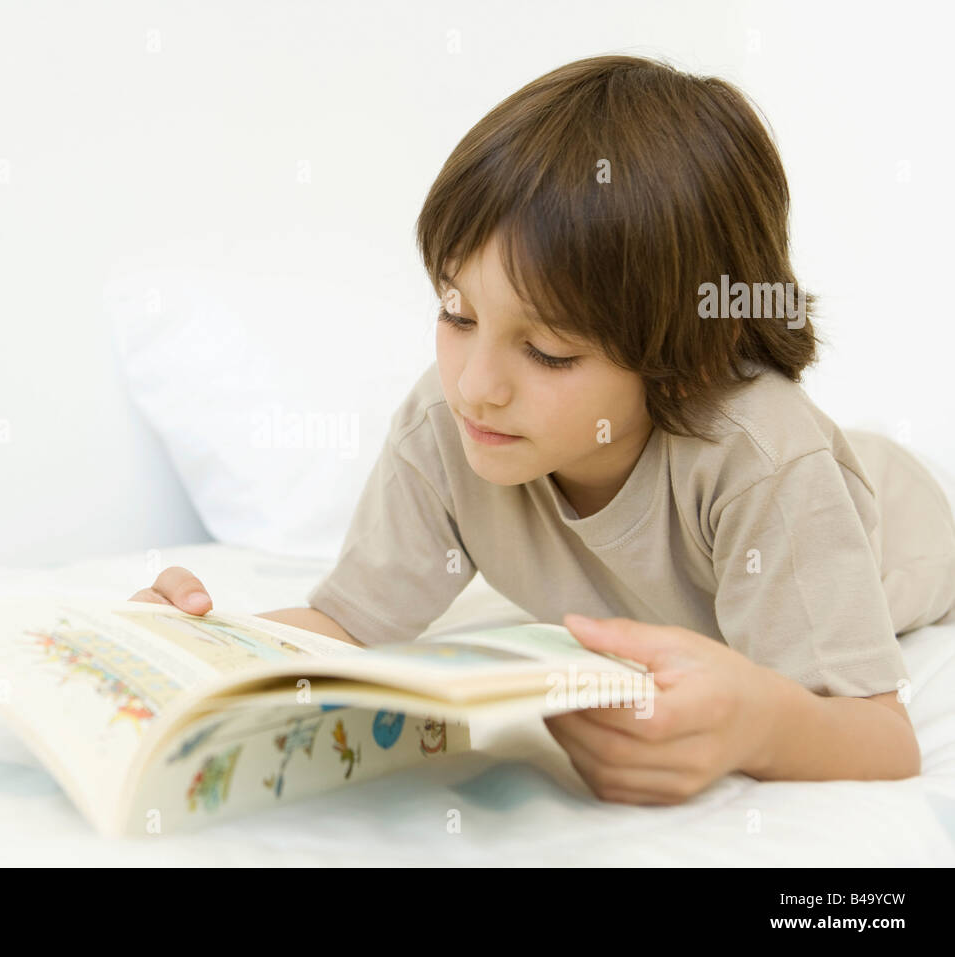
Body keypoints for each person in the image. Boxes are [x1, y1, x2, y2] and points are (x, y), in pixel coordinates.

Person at [131, 54, 955, 805]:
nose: (475, 387)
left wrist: (756, 722)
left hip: (908, 525)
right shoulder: (446, 420)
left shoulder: (766, 463)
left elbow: (880, 738)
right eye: (457, 313)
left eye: (550, 350)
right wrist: (194, 647)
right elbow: (346, 627)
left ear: (691, 358)